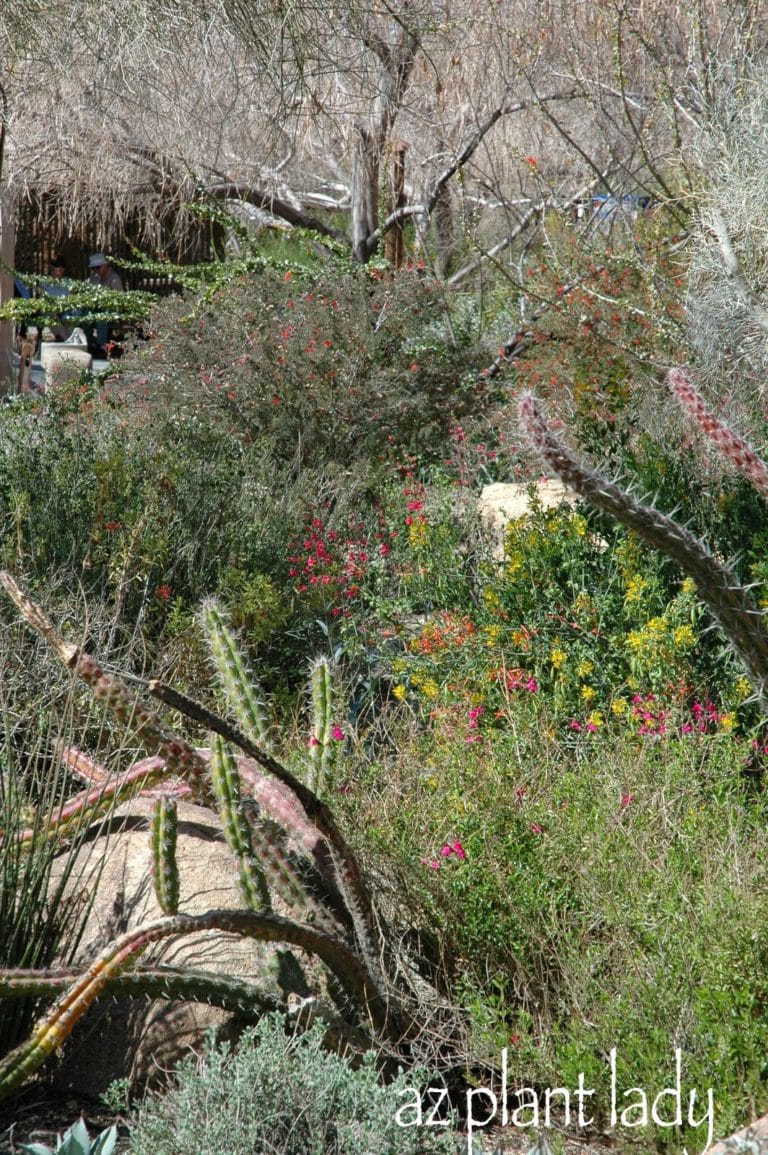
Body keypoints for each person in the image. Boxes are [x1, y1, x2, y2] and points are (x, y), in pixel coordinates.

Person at [87, 253, 123, 354]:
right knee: (86, 315)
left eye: (97, 267)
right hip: (95, 307)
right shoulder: (92, 279)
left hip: (110, 309)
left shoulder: (115, 278)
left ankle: (101, 346)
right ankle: (90, 345)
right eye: (93, 268)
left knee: (102, 316)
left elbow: (120, 299)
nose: (95, 270)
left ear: (105, 266)